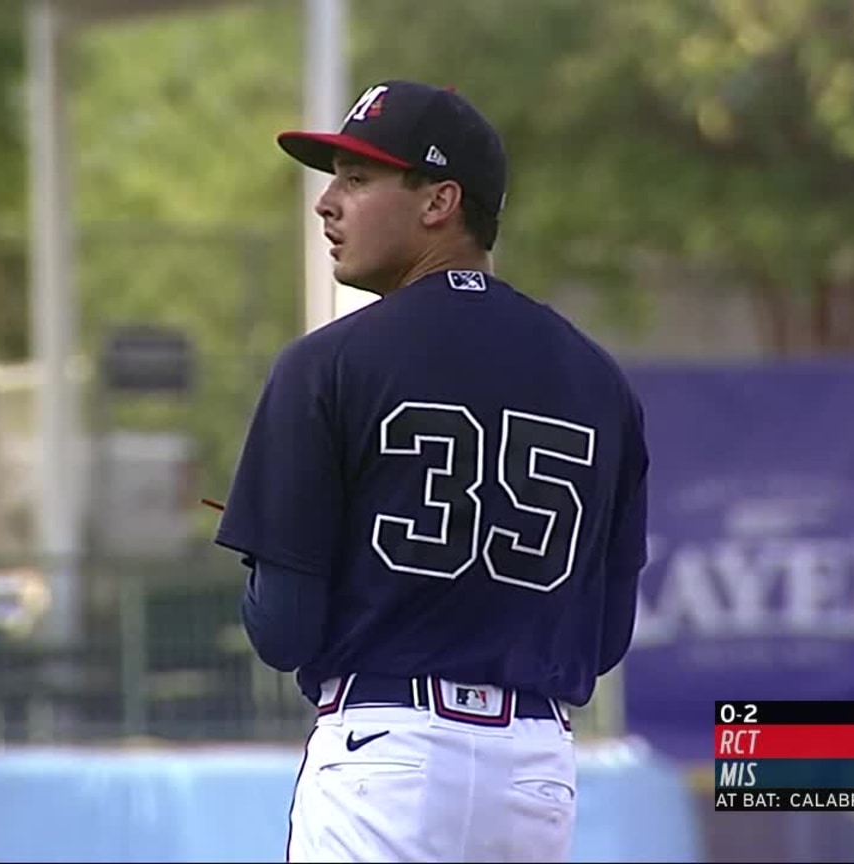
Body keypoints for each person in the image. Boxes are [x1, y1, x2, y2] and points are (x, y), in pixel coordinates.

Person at [214, 79, 649, 863]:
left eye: (358, 178)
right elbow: (608, 636)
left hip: (387, 756)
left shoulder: (327, 364)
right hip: (534, 772)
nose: (326, 203)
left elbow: (283, 630)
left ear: (440, 200)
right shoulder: (599, 380)